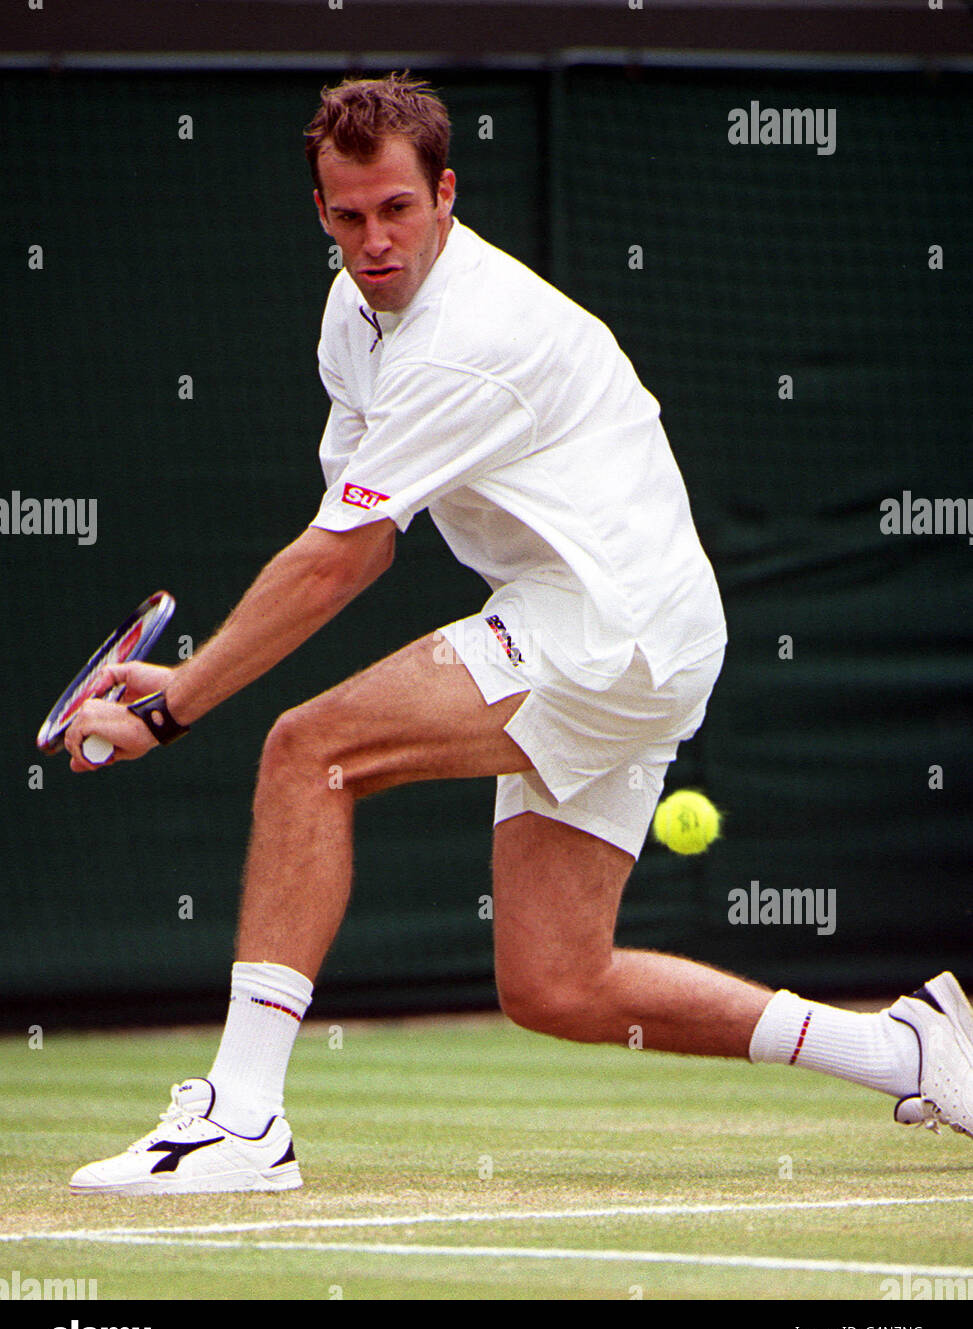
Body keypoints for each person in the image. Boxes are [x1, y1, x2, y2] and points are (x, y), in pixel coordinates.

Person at [65, 74, 972, 1194]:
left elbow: (344, 557)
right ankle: (903, 1048)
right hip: (626, 627)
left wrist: (174, 704)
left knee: (311, 751)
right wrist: (194, 673)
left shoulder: (469, 336)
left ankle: (243, 1120)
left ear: (446, 193)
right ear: (321, 213)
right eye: (348, 216)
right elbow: (343, 535)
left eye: (397, 209)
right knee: (557, 984)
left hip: (607, 622)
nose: (375, 239)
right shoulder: (352, 319)